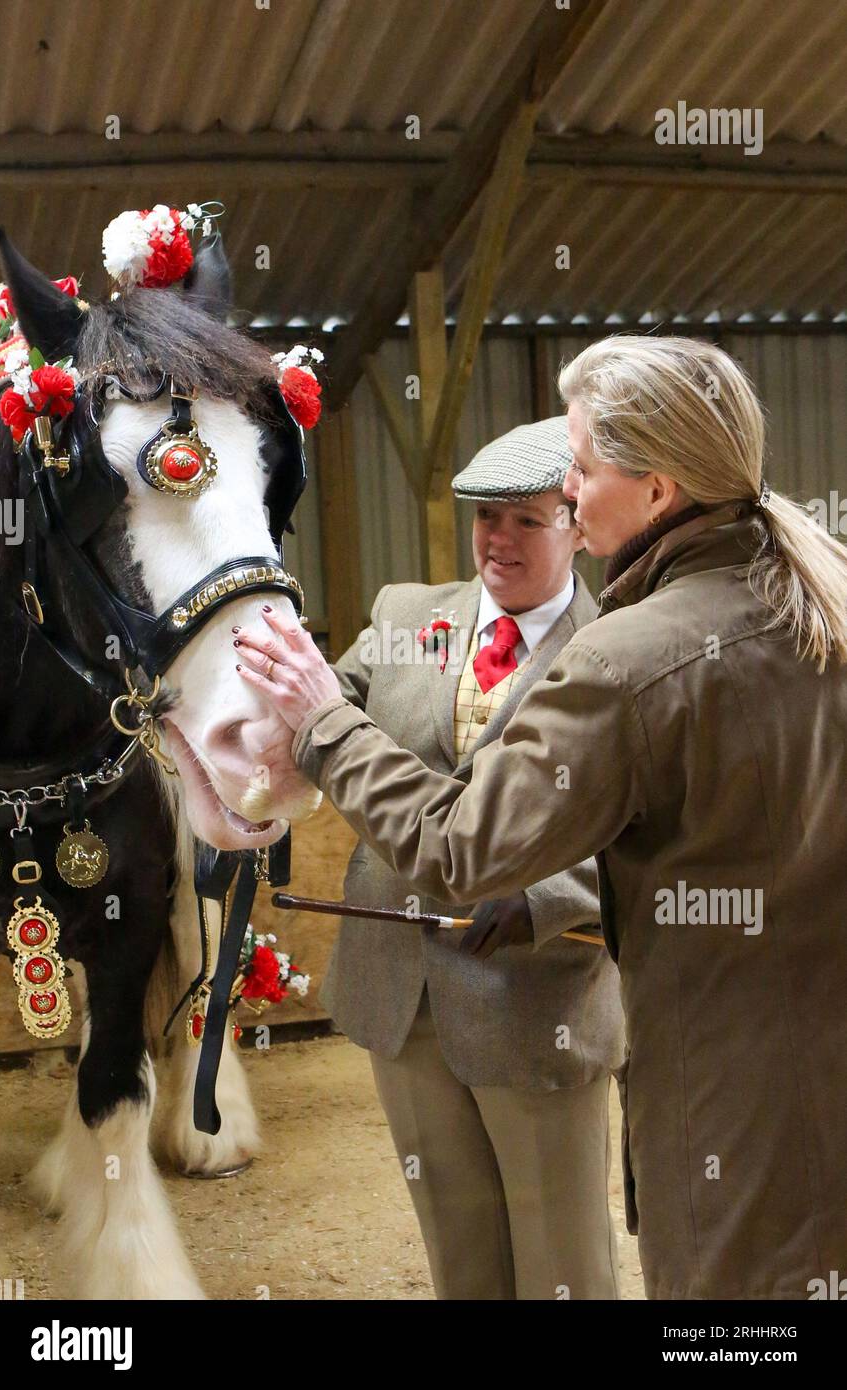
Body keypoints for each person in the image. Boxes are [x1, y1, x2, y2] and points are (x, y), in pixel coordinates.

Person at [234, 334, 847, 1300]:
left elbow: (460, 844)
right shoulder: (812, 604)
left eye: (582, 473)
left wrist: (322, 723)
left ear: (658, 491)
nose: (564, 492)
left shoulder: (625, 655)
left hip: (701, 1073)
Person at [289, 418, 624, 1300]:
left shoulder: (620, 647)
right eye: (485, 518)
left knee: (562, 1254)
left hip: (533, 993)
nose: (497, 540)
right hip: (400, 992)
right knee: (456, 1238)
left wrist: (550, 897)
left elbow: (651, 818)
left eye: (524, 520)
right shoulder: (406, 616)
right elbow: (315, 716)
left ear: (578, 525)